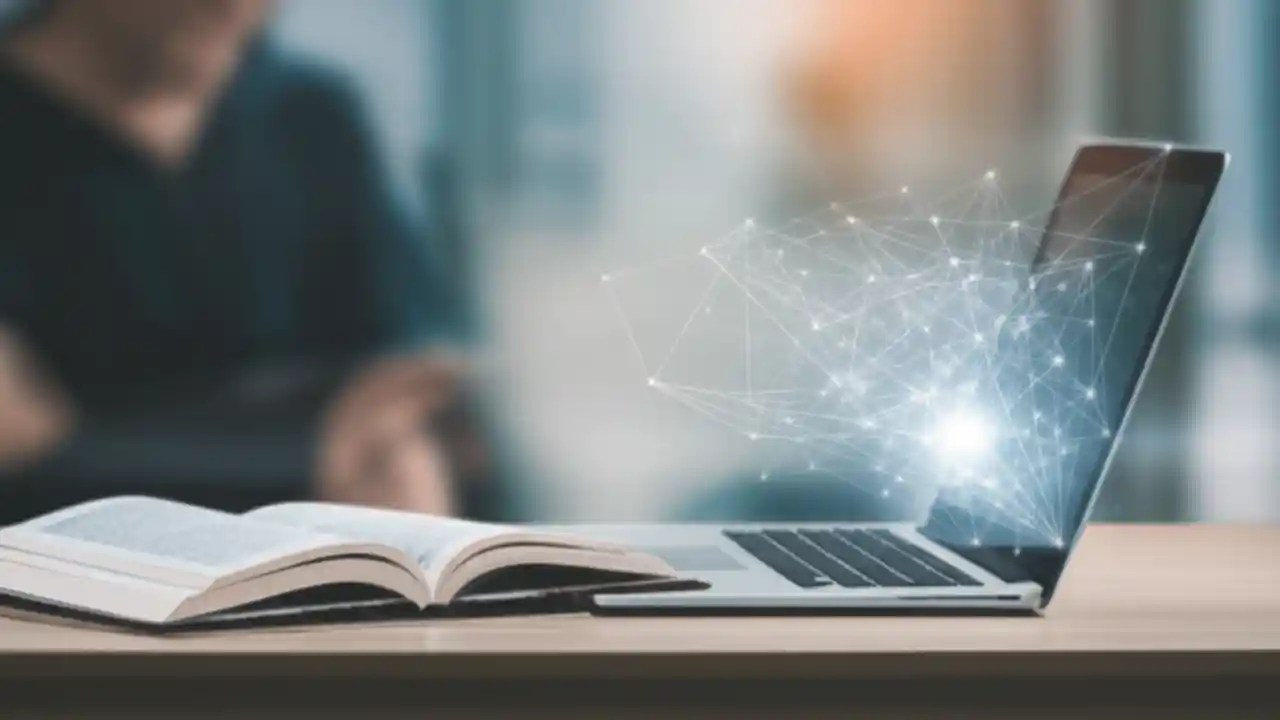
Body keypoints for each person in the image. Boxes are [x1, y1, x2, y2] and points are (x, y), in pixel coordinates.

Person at [0, 0, 479, 523]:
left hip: (319, 552)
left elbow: (407, 382)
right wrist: (329, 441)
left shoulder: (309, 115)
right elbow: (20, 441)